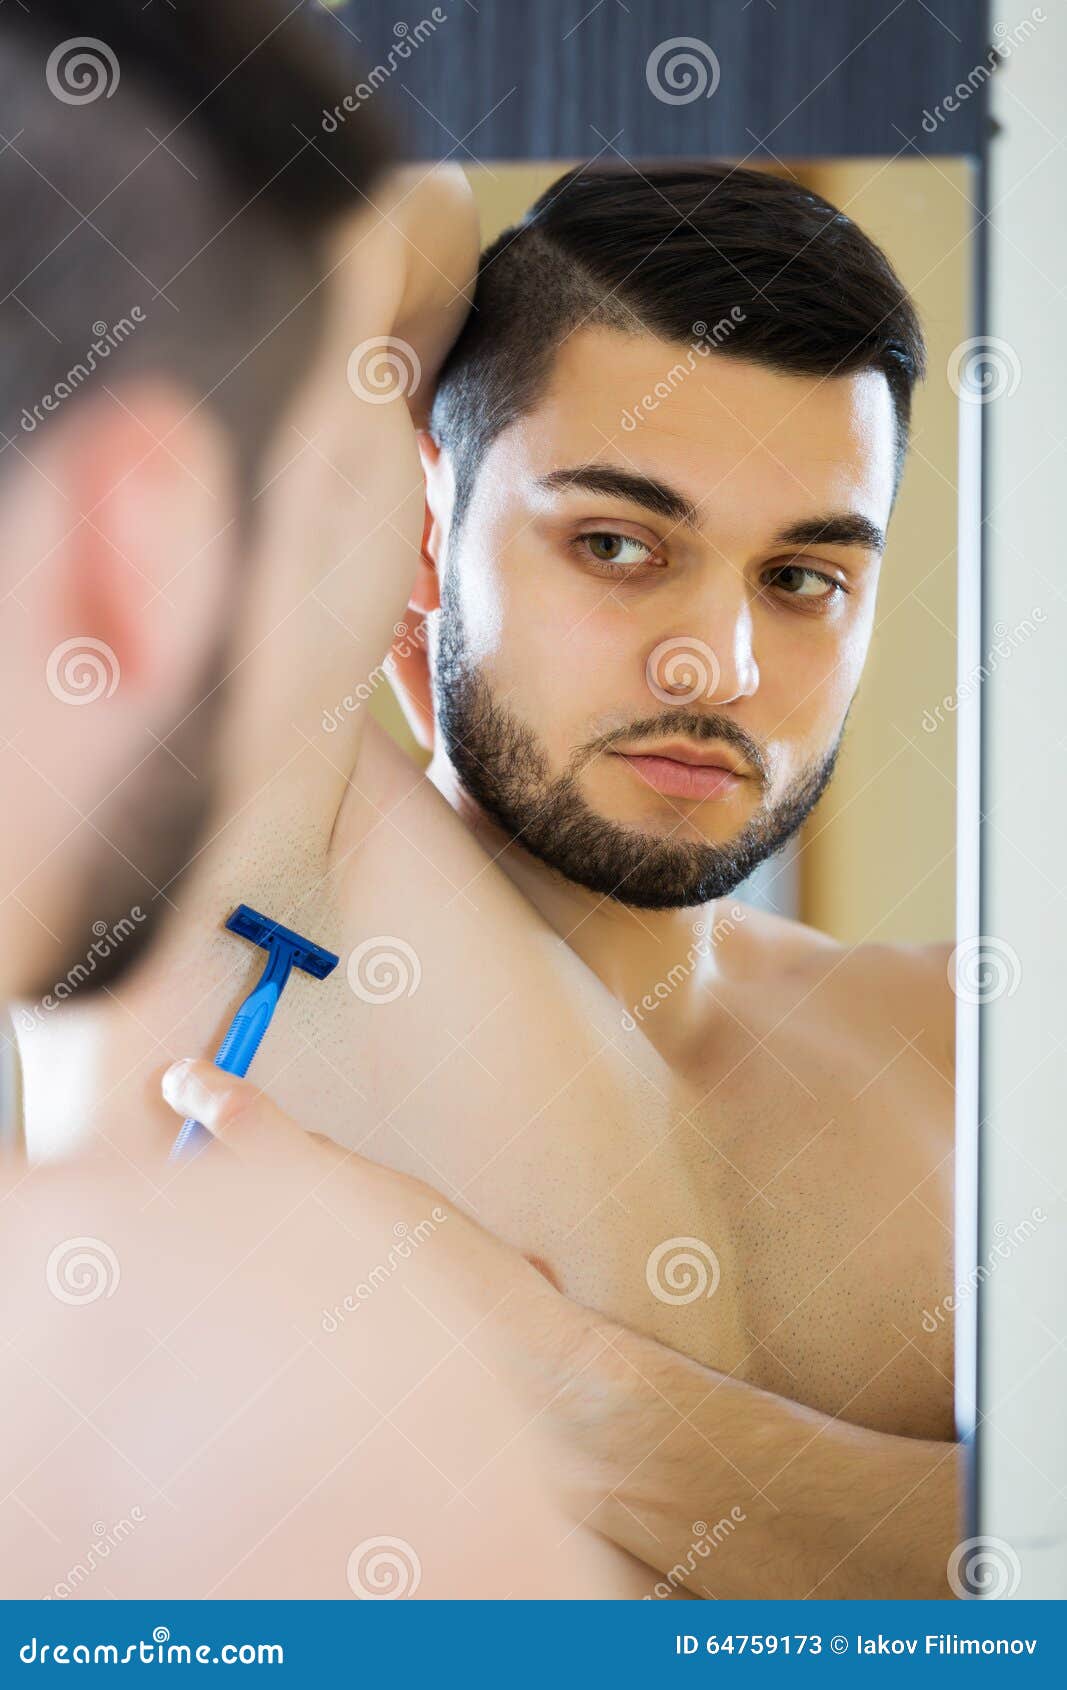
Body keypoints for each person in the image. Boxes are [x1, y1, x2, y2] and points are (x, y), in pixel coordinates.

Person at [6, 4, 958, 1600]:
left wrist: (582, 1399)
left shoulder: (975, 1060)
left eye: (802, 576)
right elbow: (375, 216)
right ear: (426, 545)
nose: (711, 661)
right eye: (616, 542)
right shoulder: (272, 842)